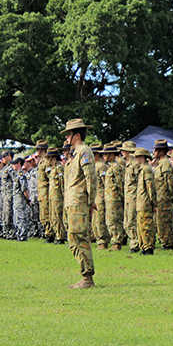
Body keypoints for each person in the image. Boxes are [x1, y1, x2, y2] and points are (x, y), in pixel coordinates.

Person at [61, 118, 97, 288]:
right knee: (73, 238)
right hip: (72, 203)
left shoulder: (84, 151)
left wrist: (91, 201)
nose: (66, 137)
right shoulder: (75, 155)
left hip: (79, 202)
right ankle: (85, 275)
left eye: (68, 134)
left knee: (79, 238)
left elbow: (91, 177)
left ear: (76, 135)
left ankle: (87, 277)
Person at [134, 147, 157, 255]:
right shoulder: (142, 169)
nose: (136, 159)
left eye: (137, 157)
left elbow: (150, 187)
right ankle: (143, 246)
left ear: (143, 157)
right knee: (141, 226)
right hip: (141, 202)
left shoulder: (146, 169)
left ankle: (148, 247)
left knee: (146, 225)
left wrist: (153, 202)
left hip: (145, 202)